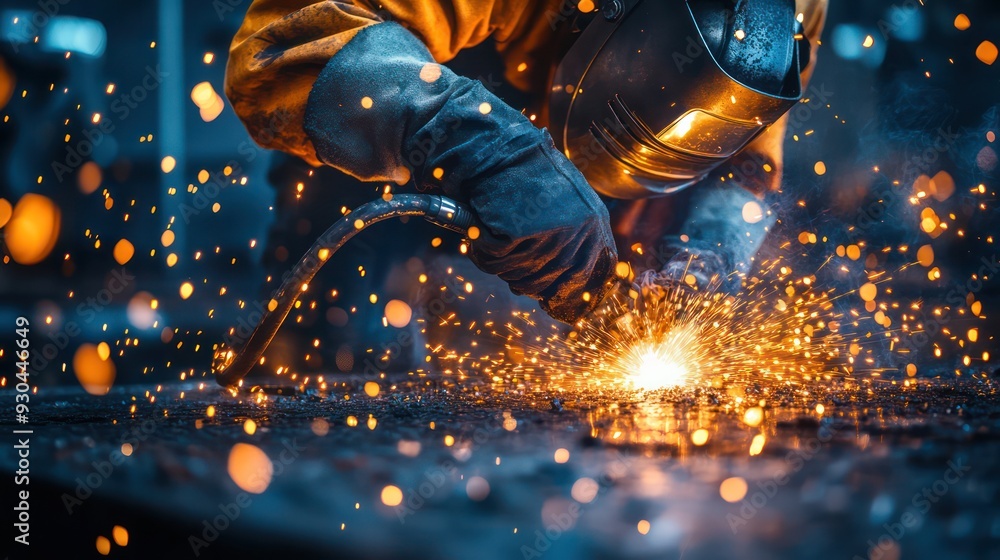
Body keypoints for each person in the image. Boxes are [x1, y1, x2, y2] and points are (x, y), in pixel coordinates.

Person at [225, 0, 826, 372]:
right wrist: (472, 140)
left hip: (576, 132)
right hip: (386, 136)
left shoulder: (794, 11)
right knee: (333, 365)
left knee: (502, 376)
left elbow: (746, 159)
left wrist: (712, 243)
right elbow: (283, 46)